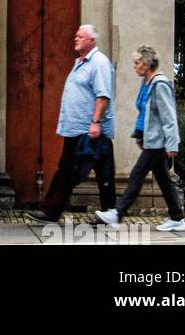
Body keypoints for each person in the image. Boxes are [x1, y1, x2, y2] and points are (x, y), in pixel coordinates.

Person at [28, 24, 117, 223]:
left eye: (80, 36)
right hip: (78, 129)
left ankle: (52, 211)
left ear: (91, 41)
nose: (75, 39)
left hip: (89, 130)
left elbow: (103, 96)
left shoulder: (98, 63)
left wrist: (95, 122)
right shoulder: (82, 62)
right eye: (76, 35)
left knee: (72, 170)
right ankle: (111, 213)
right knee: (100, 171)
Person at [96, 45, 185, 232]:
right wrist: (139, 135)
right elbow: (144, 112)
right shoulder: (146, 83)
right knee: (163, 179)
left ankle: (117, 214)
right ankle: (177, 217)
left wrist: (172, 144)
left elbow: (169, 117)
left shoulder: (160, 84)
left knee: (137, 175)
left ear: (147, 64)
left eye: (137, 63)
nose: (135, 66)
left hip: (158, 142)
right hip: (151, 139)